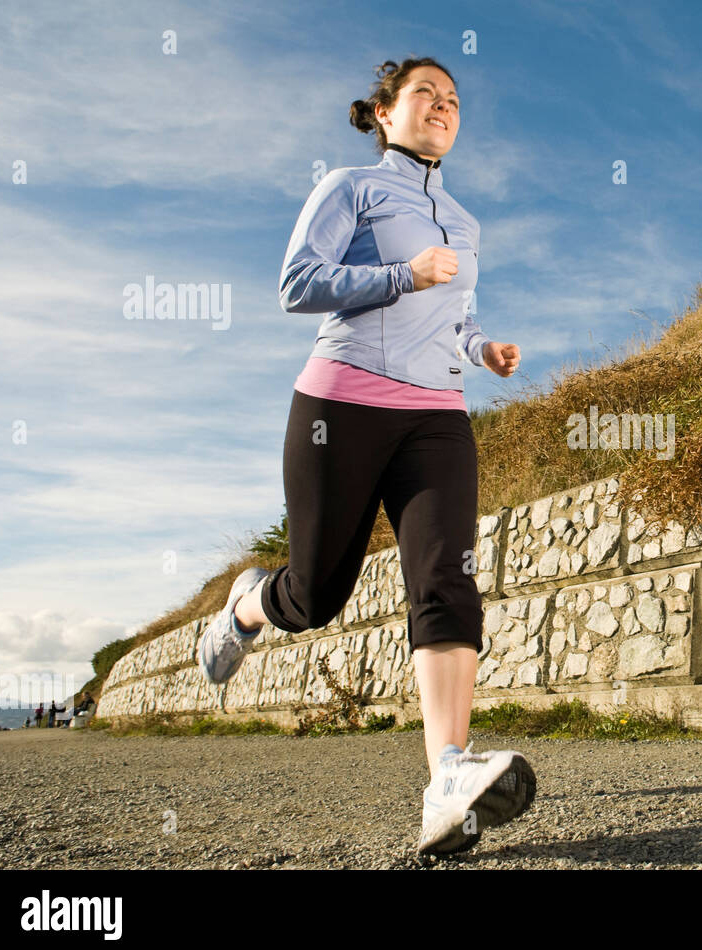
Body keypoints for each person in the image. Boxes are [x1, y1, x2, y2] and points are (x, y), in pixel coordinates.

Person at [195, 56, 534, 858]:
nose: (443, 107)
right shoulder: (350, 187)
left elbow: (454, 315)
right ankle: (249, 606)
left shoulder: (466, 221)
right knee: (317, 596)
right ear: (385, 112)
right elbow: (297, 283)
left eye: (454, 100)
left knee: (448, 577)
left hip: (437, 417)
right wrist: (400, 274)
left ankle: (447, 778)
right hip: (340, 404)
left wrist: (483, 348)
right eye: (426, 94)